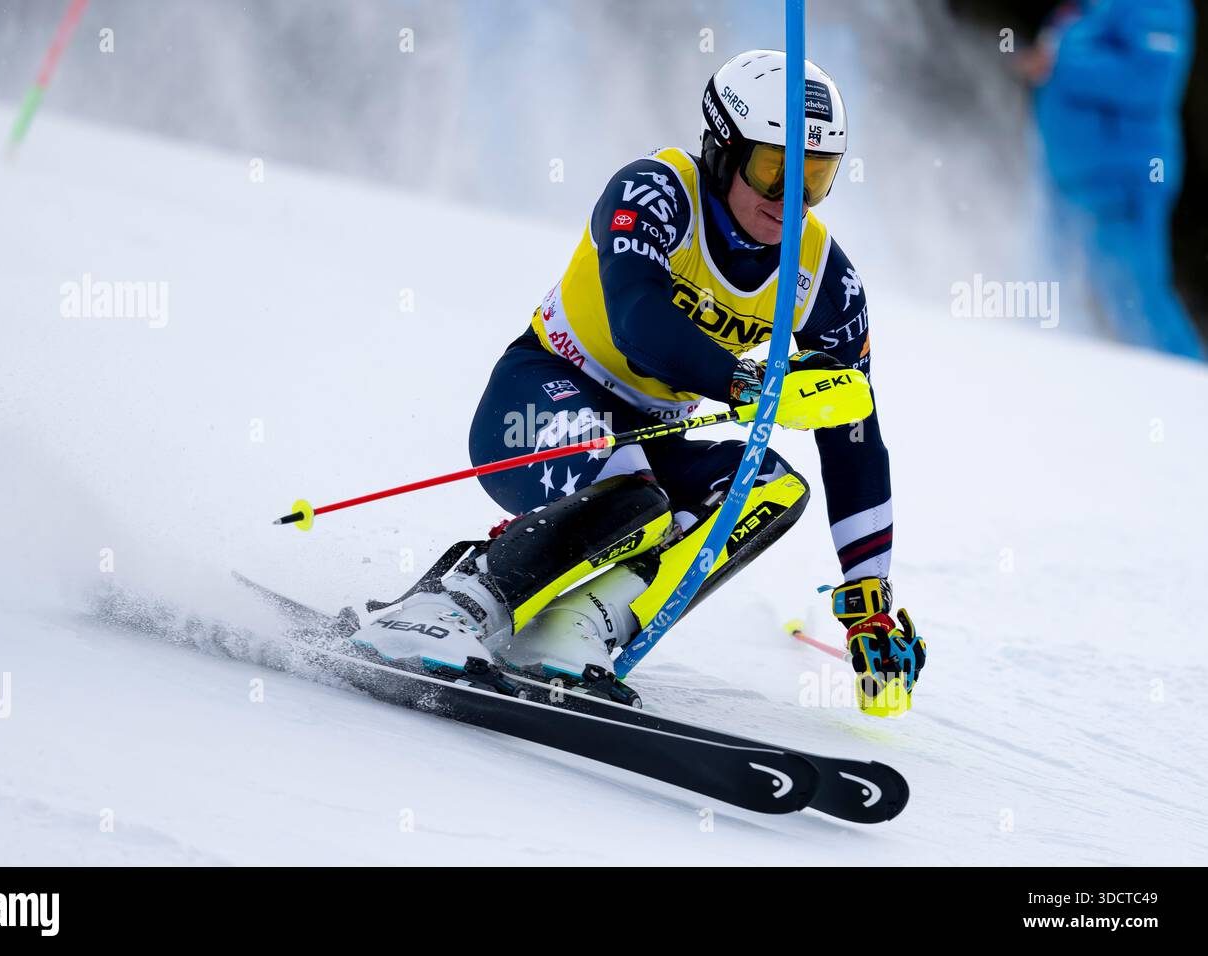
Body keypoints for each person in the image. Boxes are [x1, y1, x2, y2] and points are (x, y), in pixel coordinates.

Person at [348, 50, 925, 717]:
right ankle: (446, 608)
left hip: (653, 433)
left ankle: (573, 631)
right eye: (774, 171)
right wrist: (743, 380)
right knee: (633, 489)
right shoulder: (655, 191)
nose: (789, 201)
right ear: (723, 149)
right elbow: (636, 322)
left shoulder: (823, 276)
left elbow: (853, 431)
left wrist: (869, 603)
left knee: (768, 487)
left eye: (815, 179)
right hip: (541, 397)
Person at [1021, 0, 1203, 359]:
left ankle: (1190, 390)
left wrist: (1059, 64)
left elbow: (1149, 77)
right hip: (1068, 181)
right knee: (1048, 293)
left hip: (1122, 181)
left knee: (1136, 302)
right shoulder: (1090, 7)